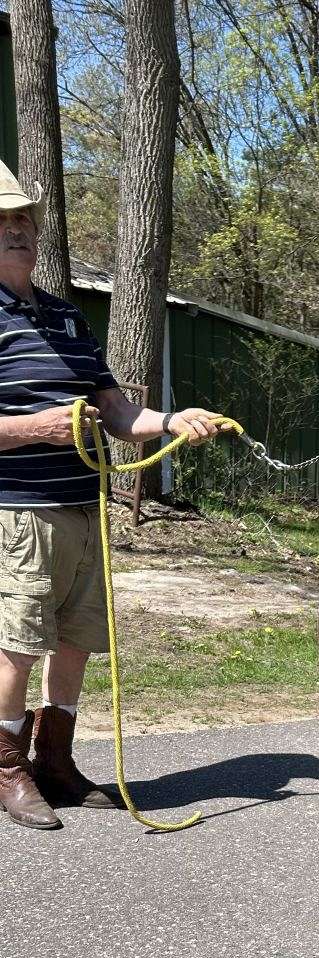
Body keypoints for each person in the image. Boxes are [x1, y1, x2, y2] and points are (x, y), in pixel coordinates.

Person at [0, 161, 227, 830]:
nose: (17, 232)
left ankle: (55, 764)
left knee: (74, 644)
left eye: (25, 222)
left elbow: (115, 411)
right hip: (21, 512)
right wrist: (37, 428)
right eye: (4, 222)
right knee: (18, 646)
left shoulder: (67, 318)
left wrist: (172, 423)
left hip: (82, 511)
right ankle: (9, 772)